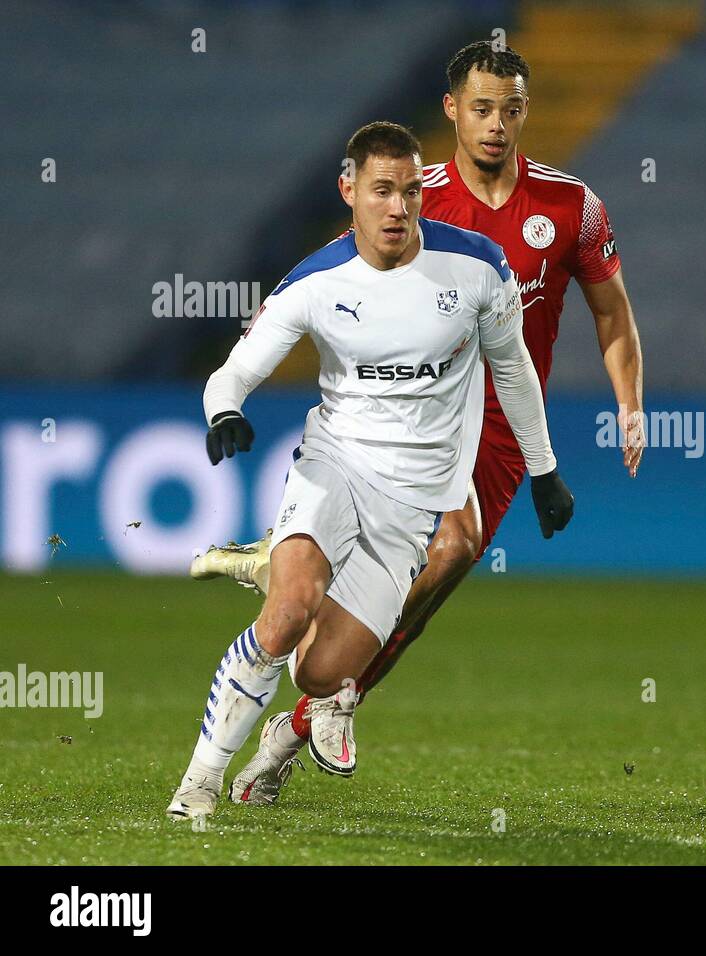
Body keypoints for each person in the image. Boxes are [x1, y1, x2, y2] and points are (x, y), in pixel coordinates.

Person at [167, 119, 573, 819]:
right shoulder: (316, 281)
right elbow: (230, 374)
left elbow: (513, 368)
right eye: (382, 190)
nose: (399, 207)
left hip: (414, 507)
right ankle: (198, 785)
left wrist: (544, 470)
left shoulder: (478, 267)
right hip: (335, 467)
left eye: (412, 191)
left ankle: (273, 569)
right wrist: (225, 412)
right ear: (348, 190)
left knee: (325, 673)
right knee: (289, 613)